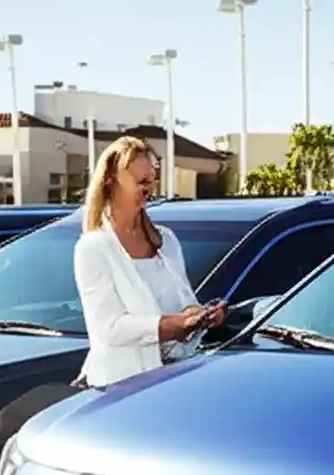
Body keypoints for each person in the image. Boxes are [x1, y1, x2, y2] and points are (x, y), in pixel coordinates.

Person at [73, 136, 226, 388]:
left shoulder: (165, 240)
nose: (149, 186)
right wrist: (171, 326)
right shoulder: (93, 248)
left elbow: (185, 304)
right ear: (112, 183)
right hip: (119, 390)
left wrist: (201, 315)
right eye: (140, 180)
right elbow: (109, 328)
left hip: (174, 382)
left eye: (151, 179)